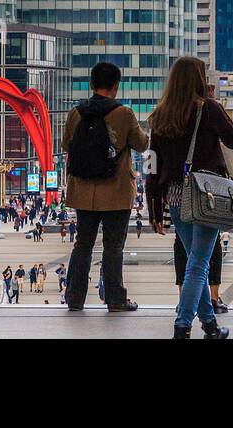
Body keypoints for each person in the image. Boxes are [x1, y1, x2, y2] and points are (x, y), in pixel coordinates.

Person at [145, 55, 233, 339]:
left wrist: (154, 210)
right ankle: (182, 326)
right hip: (206, 195)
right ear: (200, 81)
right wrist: (213, 104)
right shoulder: (209, 108)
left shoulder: (160, 115)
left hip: (175, 196)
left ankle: (210, 326)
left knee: (193, 264)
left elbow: (153, 166)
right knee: (199, 264)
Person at [63, 61, 149, 313]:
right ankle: (115, 299)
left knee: (83, 244)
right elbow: (142, 144)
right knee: (114, 246)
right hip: (116, 190)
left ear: (91, 84)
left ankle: (75, 297)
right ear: (116, 86)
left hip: (83, 191)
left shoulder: (75, 113)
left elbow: (66, 145)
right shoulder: (123, 113)